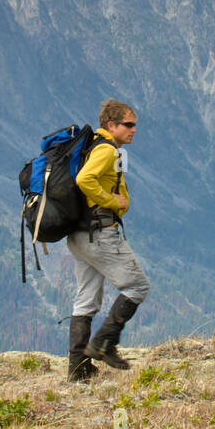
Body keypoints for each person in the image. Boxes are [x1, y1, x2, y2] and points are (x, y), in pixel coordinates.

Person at [64, 99, 149, 381]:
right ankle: (104, 343)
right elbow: (85, 180)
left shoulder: (93, 147)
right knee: (137, 286)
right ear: (111, 125)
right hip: (99, 233)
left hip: (79, 235)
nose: (134, 129)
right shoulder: (106, 150)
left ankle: (78, 371)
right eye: (129, 124)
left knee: (86, 299)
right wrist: (111, 199)